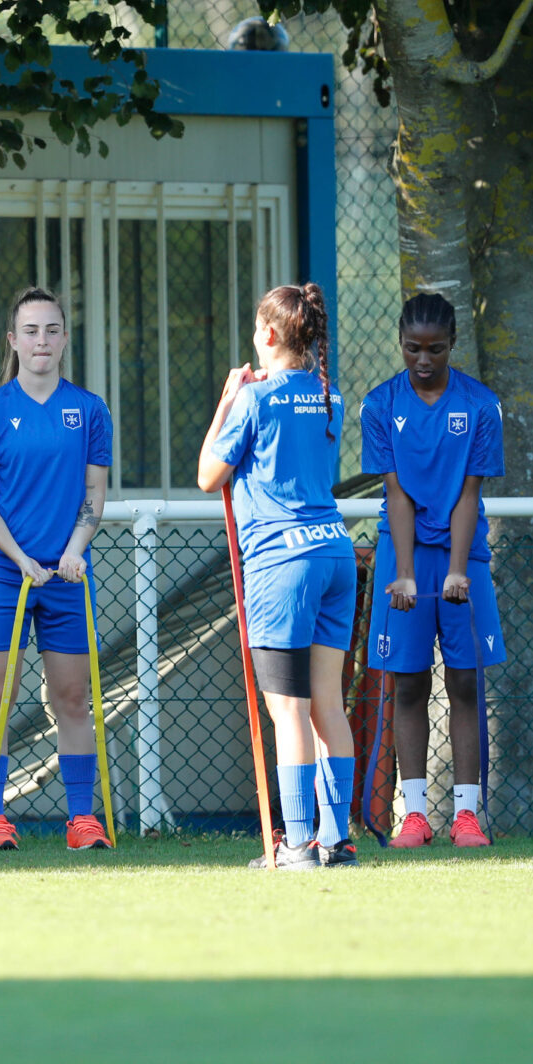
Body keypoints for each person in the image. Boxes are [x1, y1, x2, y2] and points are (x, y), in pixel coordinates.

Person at [197, 285, 359, 869]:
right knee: (327, 708)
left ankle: (294, 845)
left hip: (281, 563)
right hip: (335, 553)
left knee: (287, 712)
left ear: (268, 335)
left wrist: (227, 397)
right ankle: (335, 841)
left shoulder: (254, 400)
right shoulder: (329, 395)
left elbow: (207, 474)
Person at [0, 287, 114, 853]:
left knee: (72, 698)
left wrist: (76, 546)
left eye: (52, 330)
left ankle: (82, 820)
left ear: (65, 338)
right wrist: (21, 558)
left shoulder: (89, 410)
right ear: (13, 341)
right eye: (30, 331)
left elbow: (94, 493)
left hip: (67, 575)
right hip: (5, 574)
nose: (41, 341)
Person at [360, 292, 506, 849]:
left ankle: (467, 816)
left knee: (466, 682)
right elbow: (394, 494)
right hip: (405, 557)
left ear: (452, 346)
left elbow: (470, 492)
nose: (423, 360)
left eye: (436, 350)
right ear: (400, 343)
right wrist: (402, 572)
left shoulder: (480, 405)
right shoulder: (379, 406)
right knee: (410, 683)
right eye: (413, 349)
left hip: (464, 556)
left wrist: (458, 568)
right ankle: (414, 815)